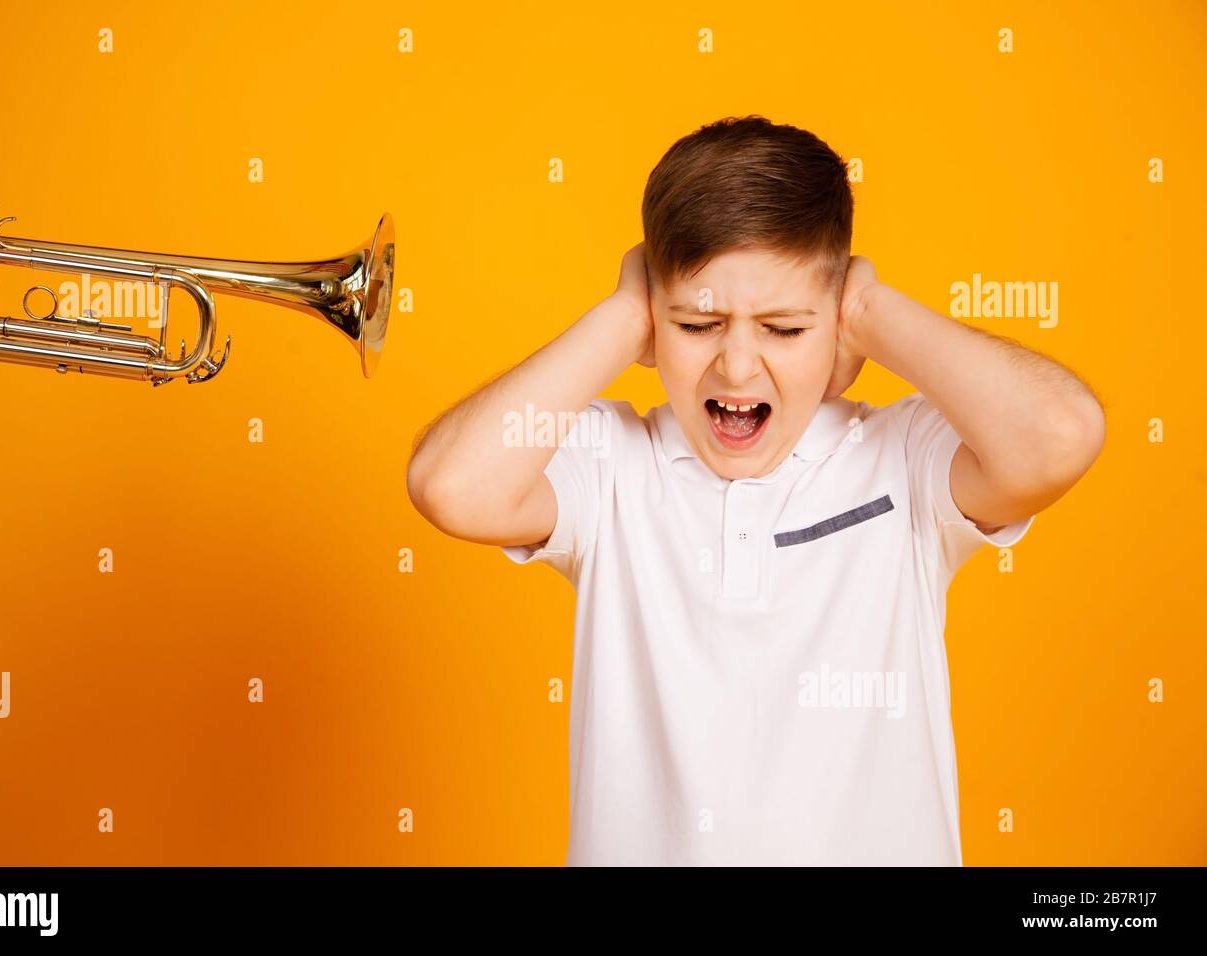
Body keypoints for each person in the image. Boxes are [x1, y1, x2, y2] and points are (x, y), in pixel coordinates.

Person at [406, 116, 1105, 865]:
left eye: (784, 328)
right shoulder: (611, 465)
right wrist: (617, 319)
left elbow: (1061, 433)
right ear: (654, 320)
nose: (737, 369)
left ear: (836, 326)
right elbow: (449, 486)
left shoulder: (903, 461)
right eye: (699, 323)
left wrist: (870, 309)